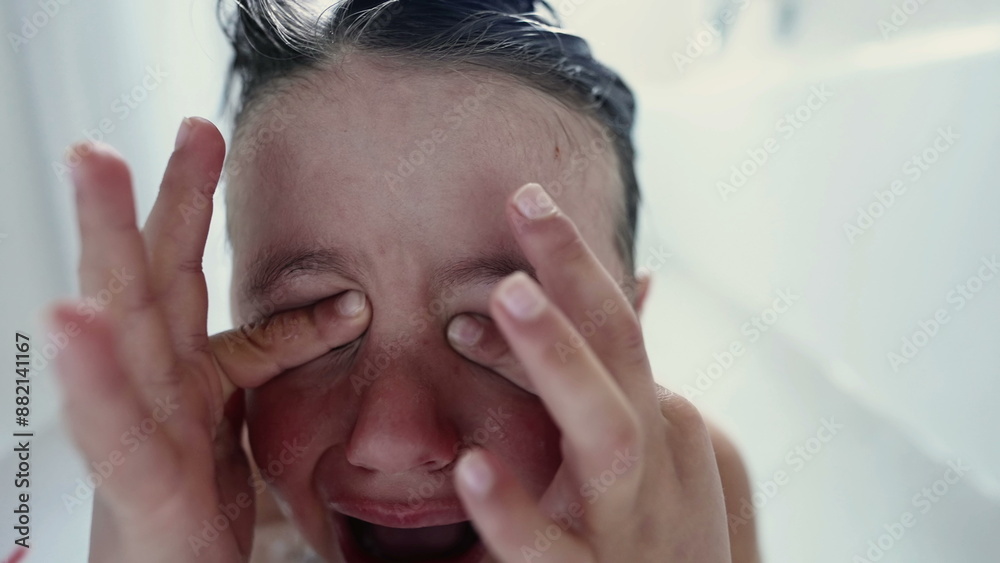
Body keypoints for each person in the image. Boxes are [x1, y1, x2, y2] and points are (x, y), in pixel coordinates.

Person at [49, 0, 760, 560]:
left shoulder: (693, 500)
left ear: (629, 333)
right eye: (315, 319)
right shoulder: (215, 516)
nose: (390, 439)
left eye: (501, 326)